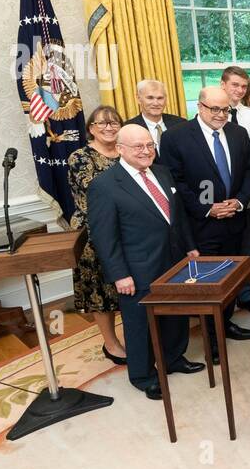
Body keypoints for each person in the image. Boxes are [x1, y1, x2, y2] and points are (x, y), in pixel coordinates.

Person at [86, 124, 205, 399]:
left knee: (175, 315)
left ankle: (174, 358)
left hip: (174, 260)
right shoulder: (104, 185)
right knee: (139, 324)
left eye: (149, 145)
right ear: (120, 149)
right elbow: (105, 237)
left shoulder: (162, 172)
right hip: (136, 269)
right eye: (138, 146)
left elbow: (179, 217)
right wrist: (119, 274)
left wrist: (190, 248)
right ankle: (143, 375)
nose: (146, 151)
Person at [158, 84, 250, 349]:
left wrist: (239, 201)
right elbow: (174, 183)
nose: (221, 114)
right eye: (215, 109)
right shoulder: (175, 138)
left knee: (232, 277)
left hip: (235, 220)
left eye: (225, 109)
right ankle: (212, 339)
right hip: (201, 225)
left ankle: (226, 323)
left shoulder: (238, 133)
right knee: (208, 283)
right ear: (200, 107)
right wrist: (208, 208)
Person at [67, 105, 129, 365]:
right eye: (102, 123)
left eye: (114, 122)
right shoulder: (80, 157)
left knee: (127, 287)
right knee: (101, 291)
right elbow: (97, 192)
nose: (108, 127)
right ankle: (111, 343)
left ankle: (135, 334)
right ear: (91, 128)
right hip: (94, 231)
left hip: (129, 228)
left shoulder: (126, 152)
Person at [220, 66, 250, 174]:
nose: (240, 90)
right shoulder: (212, 116)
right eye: (235, 85)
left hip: (248, 177)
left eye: (244, 86)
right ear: (223, 84)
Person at [125, 78, 186, 148]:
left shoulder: (181, 123)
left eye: (160, 98)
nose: (156, 103)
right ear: (139, 99)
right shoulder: (128, 128)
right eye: (150, 98)